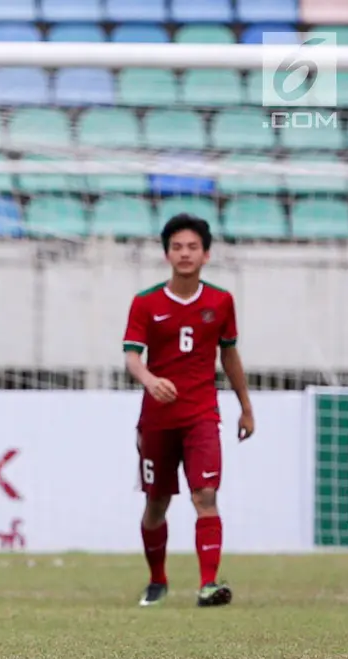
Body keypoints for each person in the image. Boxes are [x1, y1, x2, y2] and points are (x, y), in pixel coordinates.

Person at [122, 213, 254, 609]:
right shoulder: (146, 302)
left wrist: (246, 407)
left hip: (202, 416)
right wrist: (150, 380)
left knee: (205, 495)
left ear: (206, 254)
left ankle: (208, 584)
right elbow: (131, 356)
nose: (184, 253)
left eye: (192, 247)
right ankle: (157, 580)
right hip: (157, 421)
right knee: (156, 504)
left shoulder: (220, 301)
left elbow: (229, 356)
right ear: (167, 254)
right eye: (177, 247)